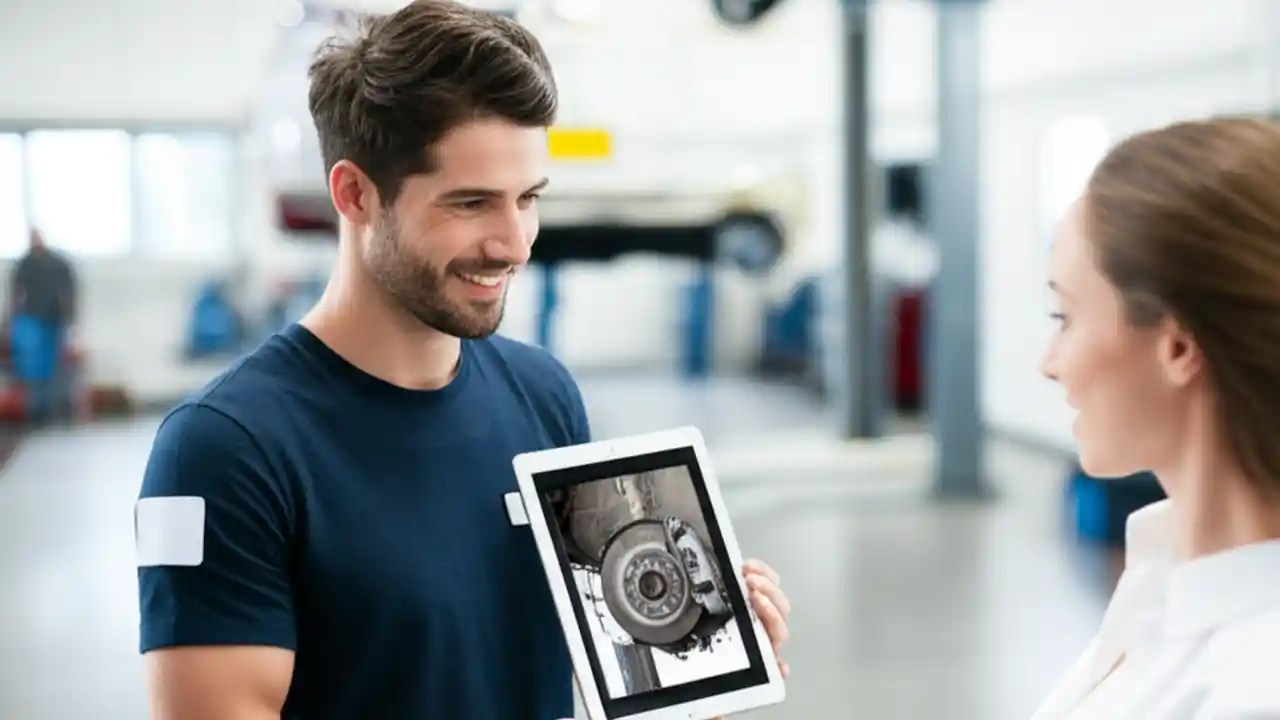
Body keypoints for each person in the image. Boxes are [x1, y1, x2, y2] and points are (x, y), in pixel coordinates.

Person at [135, 2, 791, 719]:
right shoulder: (225, 449)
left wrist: (699, 664)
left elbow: (588, 664)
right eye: (472, 203)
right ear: (355, 194)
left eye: (528, 199)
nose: (515, 243)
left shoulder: (542, 395)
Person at [1033, 116, 1280, 718]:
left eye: (1064, 318)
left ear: (1177, 347)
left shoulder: (1251, 688)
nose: (1050, 364)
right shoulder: (1163, 571)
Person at [8, 228, 76, 424]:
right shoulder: (25, 264)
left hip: (54, 320)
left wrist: (70, 316)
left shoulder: (58, 264)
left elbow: (69, 289)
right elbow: (16, 292)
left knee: (54, 367)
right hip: (31, 320)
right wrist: (12, 320)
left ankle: (52, 410)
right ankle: (36, 411)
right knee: (32, 367)